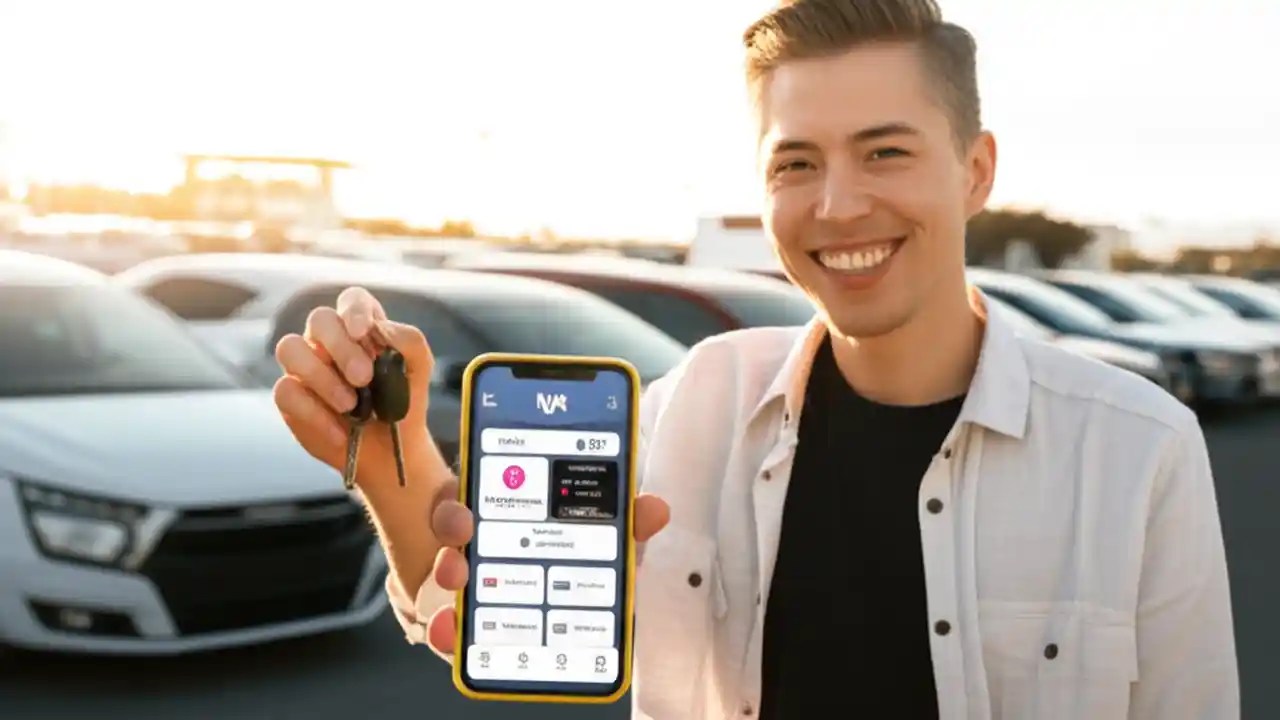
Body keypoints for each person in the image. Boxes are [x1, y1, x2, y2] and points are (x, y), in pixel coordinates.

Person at [272, 0, 1239, 717]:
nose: (836, 205)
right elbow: (475, 607)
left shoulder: (1138, 450)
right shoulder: (698, 404)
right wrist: (394, 457)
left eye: (886, 153)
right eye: (796, 163)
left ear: (976, 169)